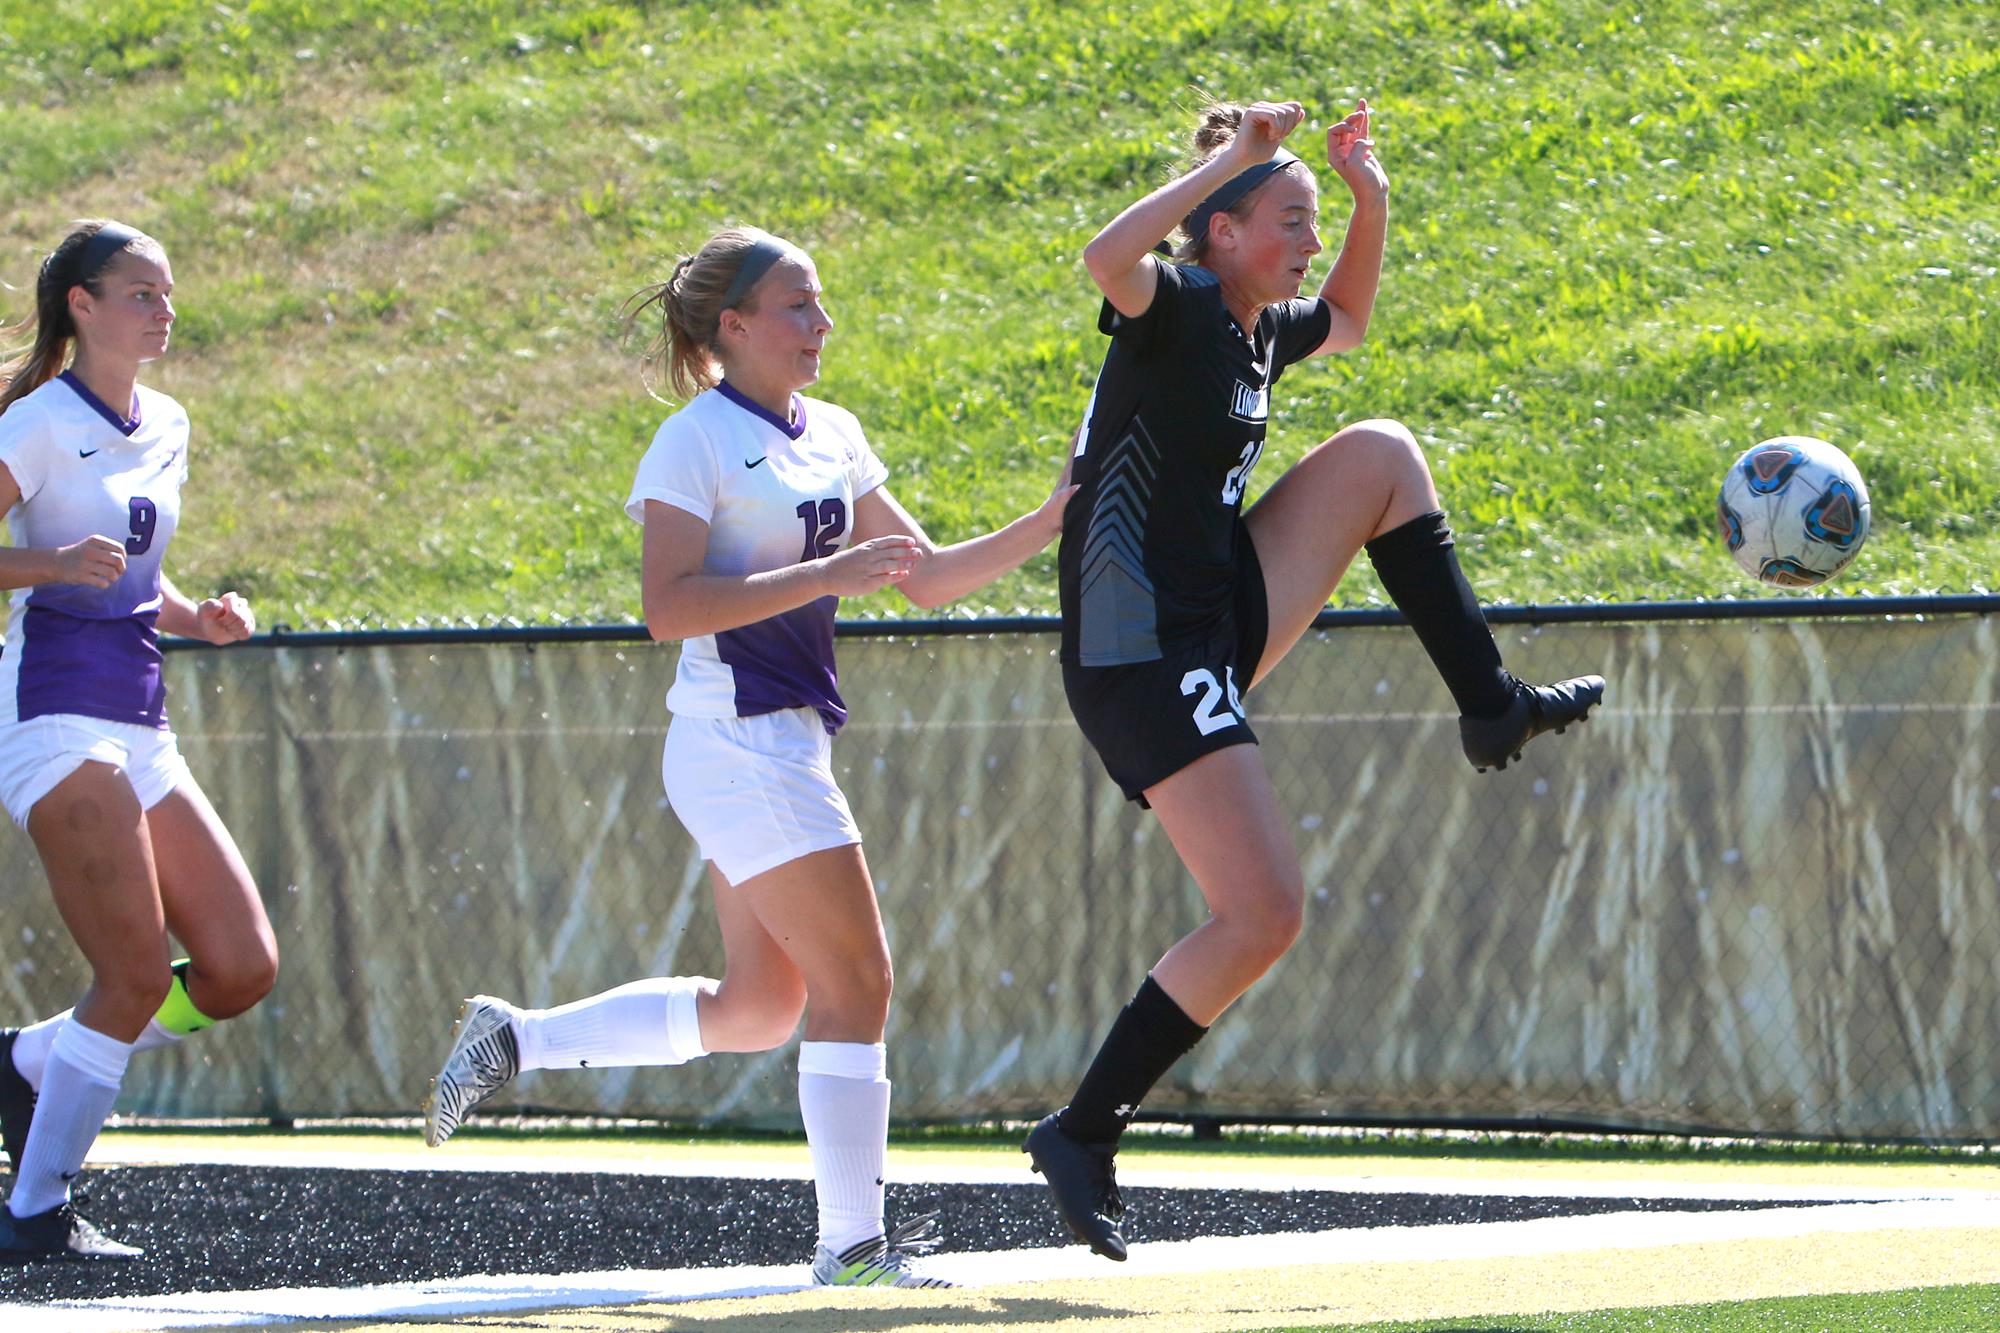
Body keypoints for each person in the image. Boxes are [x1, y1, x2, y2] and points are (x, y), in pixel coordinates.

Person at [423, 225, 1073, 1289]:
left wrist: (1053, 515)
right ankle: (852, 1247)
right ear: (731, 327)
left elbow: (925, 577)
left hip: (779, 743)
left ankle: (515, 1038)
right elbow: (665, 608)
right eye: (797, 308)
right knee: (857, 979)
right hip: (735, 745)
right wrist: (826, 574)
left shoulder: (835, 433)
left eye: (818, 306)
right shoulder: (693, 441)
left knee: (758, 1008)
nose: (821, 326)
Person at [1023, 99, 1604, 1261]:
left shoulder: (1248, 325)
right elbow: (1103, 258)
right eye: (1284, 220)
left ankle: (1488, 705)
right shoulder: (1175, 304)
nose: (1301, 240)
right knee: (1264, 912)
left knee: (1381, 454)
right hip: (1137, 651)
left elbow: (1343, 319)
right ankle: (1081, 1130)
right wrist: (1232, 160)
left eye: (1307, 220)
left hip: (1209, 611)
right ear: (1222, 230)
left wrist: (1366, 199)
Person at [0, 220, 276, 1262]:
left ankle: (30, 1060)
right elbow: (62, 562)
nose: (164, 310)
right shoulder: (35, 422)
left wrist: (195, 615)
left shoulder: (166, 419)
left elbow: (127, 571)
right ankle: (33, 1212)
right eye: (140, 294)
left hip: (141, 716)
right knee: (126, 977)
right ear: (81, 303)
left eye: (167, 293)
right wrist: (48, 563)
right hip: (52, 718)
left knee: (241, 967)